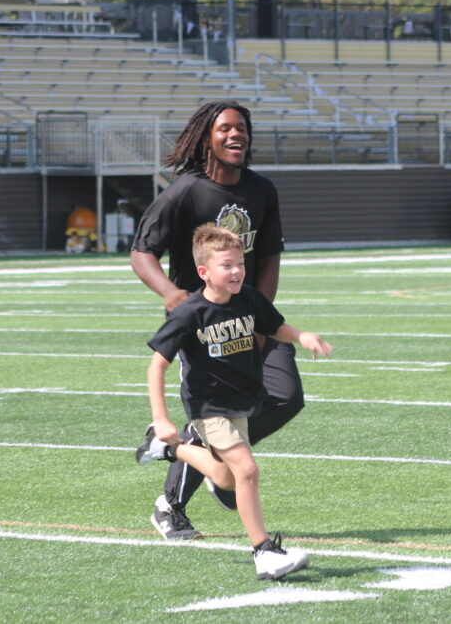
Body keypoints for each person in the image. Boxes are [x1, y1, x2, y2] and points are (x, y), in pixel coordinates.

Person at [130, 100, 305, 540]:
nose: (235, 135)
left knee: (285, 395)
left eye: (241, 128)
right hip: (204, 329)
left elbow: (268, 258)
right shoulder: (184, 191)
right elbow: (141, 252)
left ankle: (210, 454)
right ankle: (170, 505)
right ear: (206, 136)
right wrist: (171, 293)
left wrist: (261, 317)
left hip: (251, 318)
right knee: (215, 414)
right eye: (224, 128)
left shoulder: (262, 190)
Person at [135, 224, 332, 580]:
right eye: (227, 265)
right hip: (208, 408)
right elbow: (157, 365)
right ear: (204, 272)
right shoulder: (190, 313)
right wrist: (161, 416)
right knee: (248, 470)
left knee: (227, 479)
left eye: (240, 263)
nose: (237, 271)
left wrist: (301, 335)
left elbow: (273, 327)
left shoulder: (250, 298)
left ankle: (168, 449)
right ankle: (264, 551)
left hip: (240, 403)